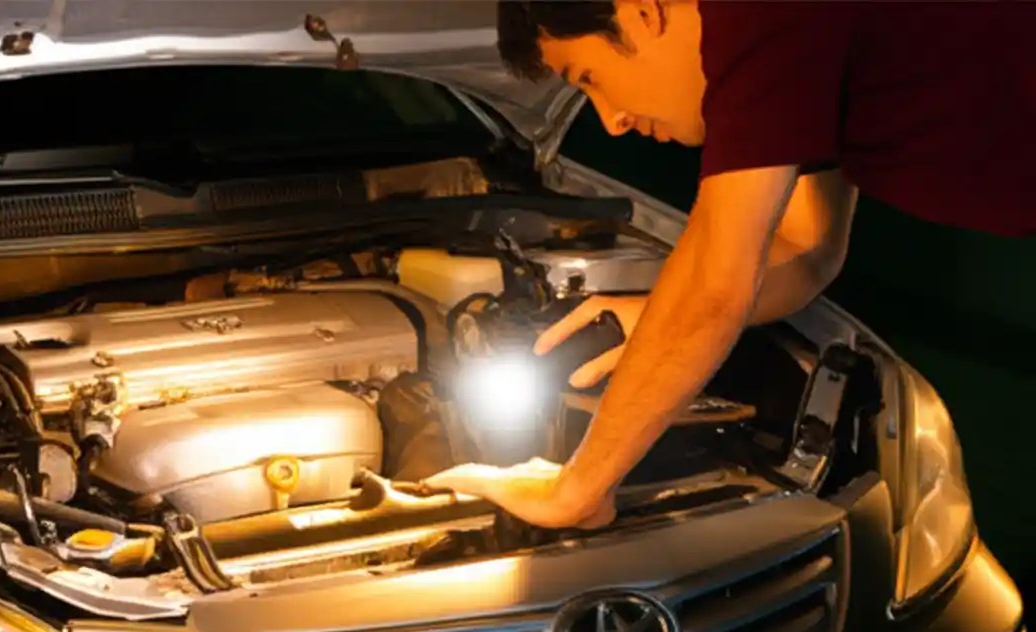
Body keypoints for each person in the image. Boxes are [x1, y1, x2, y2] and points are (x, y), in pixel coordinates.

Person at [426, 0, 1035, 528]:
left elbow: (716, 284)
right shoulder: (785, 53)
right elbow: (805, 243)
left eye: (590, 77)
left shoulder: (755, 17)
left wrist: (575, 489)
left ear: (642, 10)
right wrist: (655, 320)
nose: (610, 121)